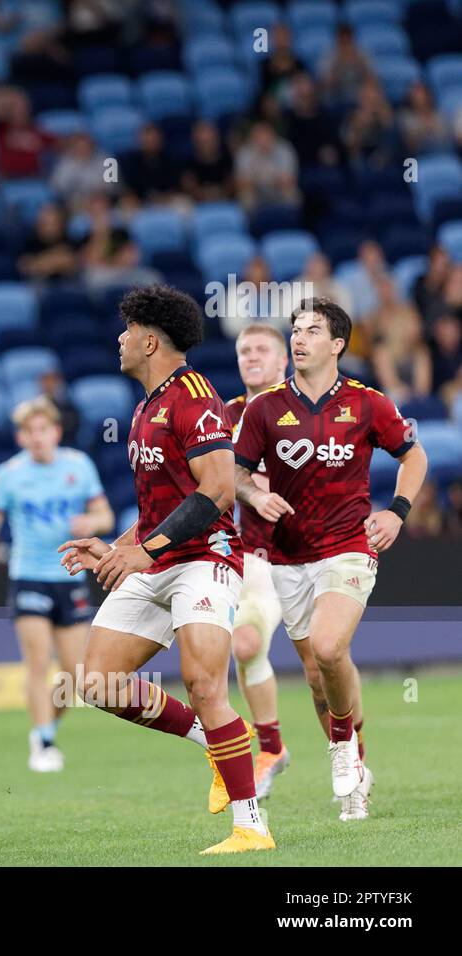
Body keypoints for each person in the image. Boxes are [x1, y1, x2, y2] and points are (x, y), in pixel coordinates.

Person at [58, 285, 272, 855]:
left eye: (127, 330)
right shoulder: (144, 407)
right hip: (158, 557)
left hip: (205, 558)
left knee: (205, 684)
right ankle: (215, 737)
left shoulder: (195, 397)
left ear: (150, 339)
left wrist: (144, 551)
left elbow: (220, 490)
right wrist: (117, 545)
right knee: (98, 683)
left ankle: (252, 828)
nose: (119, 339)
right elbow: (161, 508)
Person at [233, 298, 428, 821]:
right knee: (320, 675)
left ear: (337, 344)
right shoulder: (264, 408)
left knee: (327, 645)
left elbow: (414, 455)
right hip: (285, 559)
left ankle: (341, 751)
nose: (299, 339)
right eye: (295, 330)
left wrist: (397, 513)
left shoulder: (368, 403)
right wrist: (253, 496)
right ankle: (358, 770)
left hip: (348, 547)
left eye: (312, 331)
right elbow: (233, 471)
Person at [0, 397, 113, 771]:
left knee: (76, 676)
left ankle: (45, 727)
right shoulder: (8, 474)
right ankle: (44, 741)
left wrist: (92, 523)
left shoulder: (79, 465)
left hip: (69, 576)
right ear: (21, 437)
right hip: (28, 577)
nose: (38, 438)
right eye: (29, 432)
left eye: (44, 430)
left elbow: (104, 514)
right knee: (37, 663)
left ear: (55, 432)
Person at [224, 324, 291, 798]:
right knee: (245, 645)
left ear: (284, 359)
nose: (251, 357)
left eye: (262, 349)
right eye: (244, 350)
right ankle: (271, 747)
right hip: (248, 556)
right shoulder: (222, 415)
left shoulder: (304, 412)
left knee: (324, 666)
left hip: (306, 554)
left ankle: (354, 753)